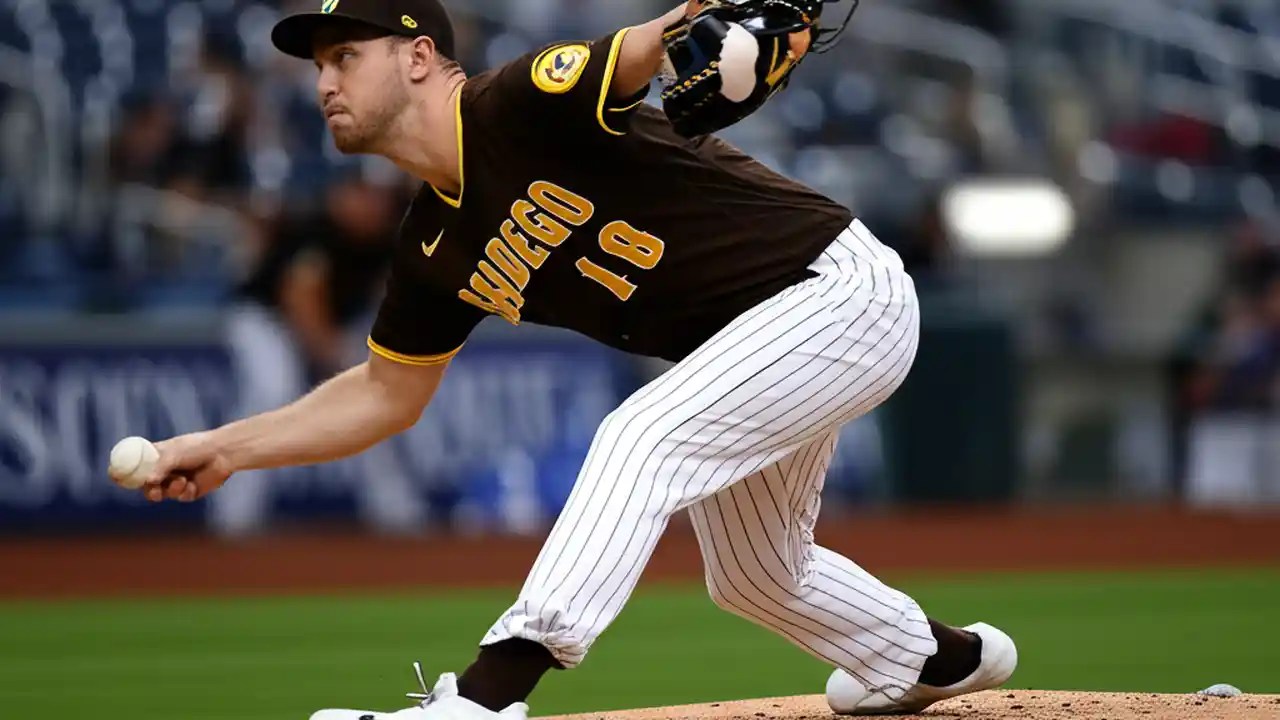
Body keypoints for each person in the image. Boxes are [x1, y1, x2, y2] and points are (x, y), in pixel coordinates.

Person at [127, 1, 1018, 717]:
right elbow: (383, 397)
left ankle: (486, 699)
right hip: (753, 340)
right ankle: (940, 659)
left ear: (417, 55)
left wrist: (716, 20)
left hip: (837, 291)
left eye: (342, 55)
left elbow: (646, 46)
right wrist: (230, 447)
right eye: (316, 66)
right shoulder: (433, 245)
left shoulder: (515, 102)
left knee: (639, 439)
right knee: (754, 575)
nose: (323, 81)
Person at [219, 166, 427, 536]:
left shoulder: (387, 231)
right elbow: (301, 300)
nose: (377, 204)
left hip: (332, 324)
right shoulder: (316, 229)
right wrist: (333, 361)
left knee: (376, 399)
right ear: (341, 194)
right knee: (273, 390)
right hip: (267, 321)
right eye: (366, 194)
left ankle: (396, 509)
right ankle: (236, 516)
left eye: (381, 195)